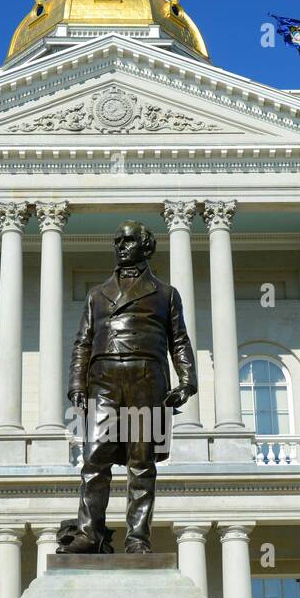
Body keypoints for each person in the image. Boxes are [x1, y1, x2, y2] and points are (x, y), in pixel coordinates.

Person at [58, 220, 197, 554]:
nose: (121, 246)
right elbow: (83, 342)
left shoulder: (166, 293)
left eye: (129, 240)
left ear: (146, 246)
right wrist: (76, 383)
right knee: (94, 458)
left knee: (141, 461)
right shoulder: (97, 294)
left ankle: (137, 538)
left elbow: (178, 340)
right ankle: (90, 532)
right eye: (117, 240)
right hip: (103, 379)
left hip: (146, 380)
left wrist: (188, 380)